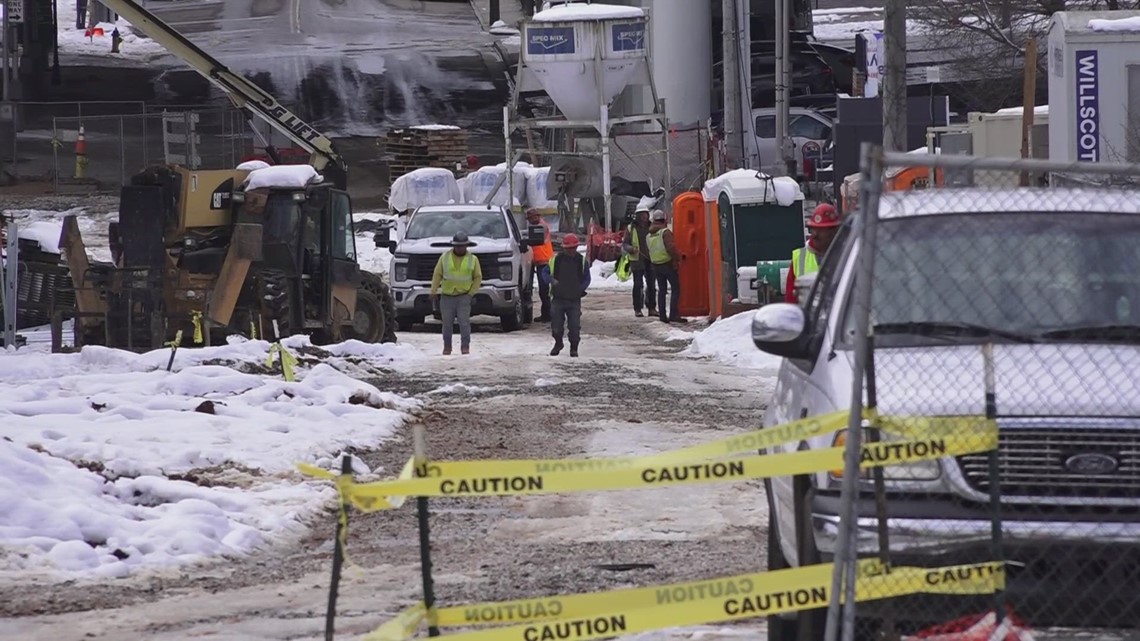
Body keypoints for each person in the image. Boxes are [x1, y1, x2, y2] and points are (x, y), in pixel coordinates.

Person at [431, 232, 482, 355]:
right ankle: (447, 347)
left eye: (463, 246)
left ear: (466, 246)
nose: (460, 248)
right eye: (458, 246)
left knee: (464, 323)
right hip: (447, 296)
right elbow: (437, 275)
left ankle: (465, 347)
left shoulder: (473, 259)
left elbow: (478, 277)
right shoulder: (445, 257)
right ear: (454, 245)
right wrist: (433, 290)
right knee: (447, 324)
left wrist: (471, 293)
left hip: (464, 296)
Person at [785, 203, 841, 304]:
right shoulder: (800, 257)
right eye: (813, 229)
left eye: (821, 230)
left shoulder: (846, 255)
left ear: (834, 231)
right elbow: (791, 301)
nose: (815, 234)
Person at [548, 233, 591, 357]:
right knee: (556, 325)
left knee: (574, 325)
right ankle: (558, 343)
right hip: (558, 298)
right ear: (564, 248)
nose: (572, 250)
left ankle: (574, 348)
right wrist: (552, 280)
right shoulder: (556, 260)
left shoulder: (581, 261)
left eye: (574, 248)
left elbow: (587, 278)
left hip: (574, 299)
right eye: (569, 248)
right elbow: (545, 273)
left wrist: (580, 288)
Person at [647, 209, 685, 324]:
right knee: (675, 289)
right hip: (667, 264)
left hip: (656, 265)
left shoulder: (649, 235)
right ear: (664, 220)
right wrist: (679, 257)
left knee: (662, 290)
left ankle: (662, 315)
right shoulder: (665, 232)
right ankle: (673, 314)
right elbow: (671, 248)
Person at [622, 205, 656, 318]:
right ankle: (638, 309)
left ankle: (651, 308)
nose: (643, 217)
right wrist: (631, 249)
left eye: (645, 214)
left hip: (650, 259)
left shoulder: (652, 227)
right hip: (636, 261)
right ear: (637, 216)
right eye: (641, 215)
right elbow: (625, 244)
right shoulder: (631, 228)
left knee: (651, 284)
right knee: (638, 285)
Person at [526, 208, 555, 322]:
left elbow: (538, 238)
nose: (532, 220)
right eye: (530, 218)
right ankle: (547, 314)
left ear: (538, 216)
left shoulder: (541, 227)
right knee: (544, 290)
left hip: (545, 262)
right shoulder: (536, 227)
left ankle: (548, 315)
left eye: (534, 217)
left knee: (544, 290)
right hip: (539, 262)